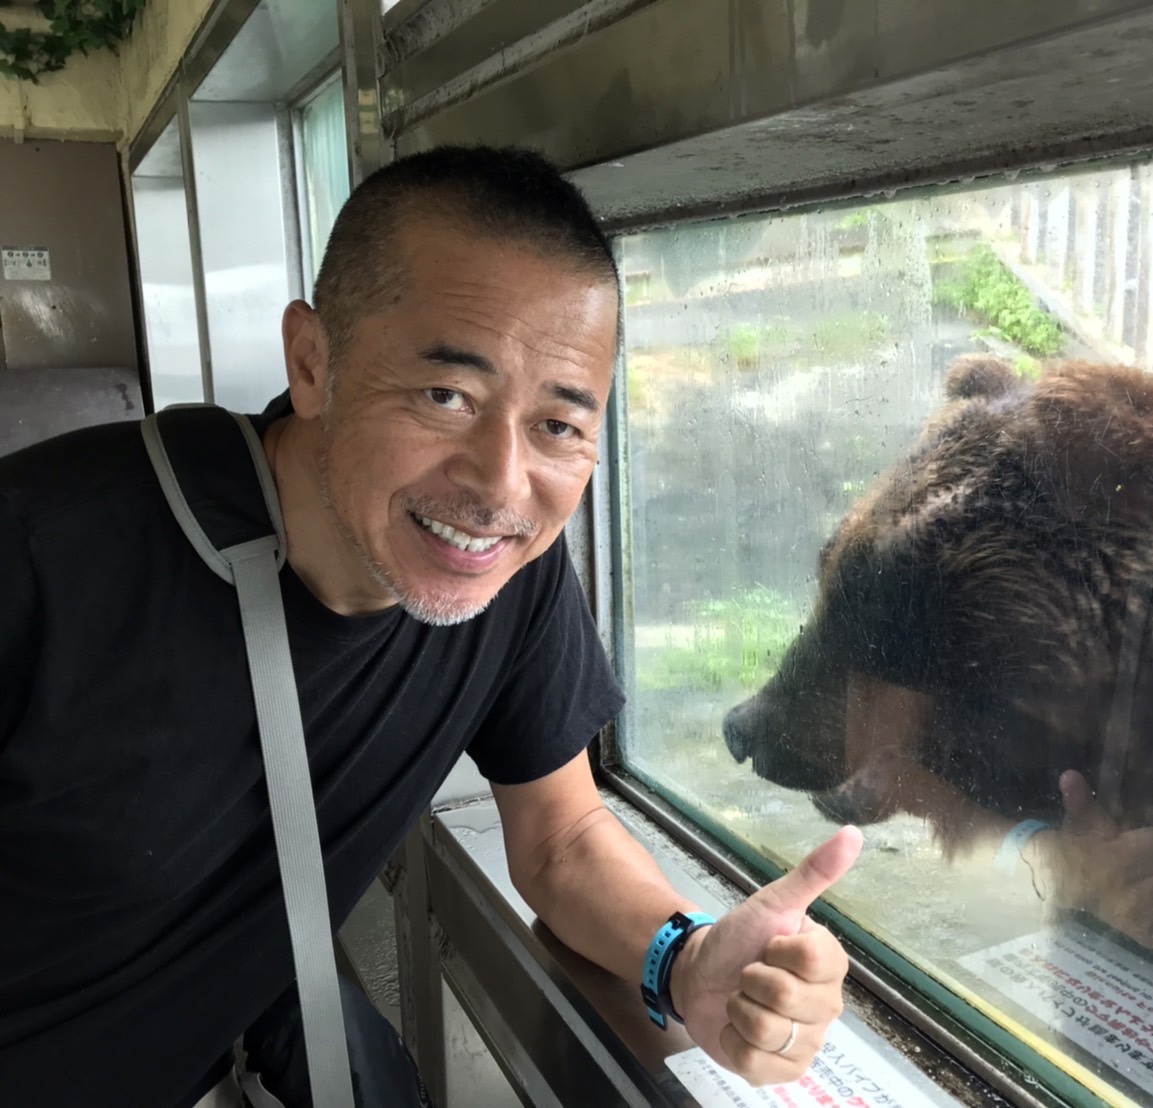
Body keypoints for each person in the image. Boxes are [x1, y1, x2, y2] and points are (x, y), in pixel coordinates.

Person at [0, 145, 862, 1108]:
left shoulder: (508, 576)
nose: (499, 485)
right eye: (446, 395)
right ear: (313, 362)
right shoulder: (44, 560)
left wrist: (686, 957)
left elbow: (563, 835)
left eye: (558, 425)